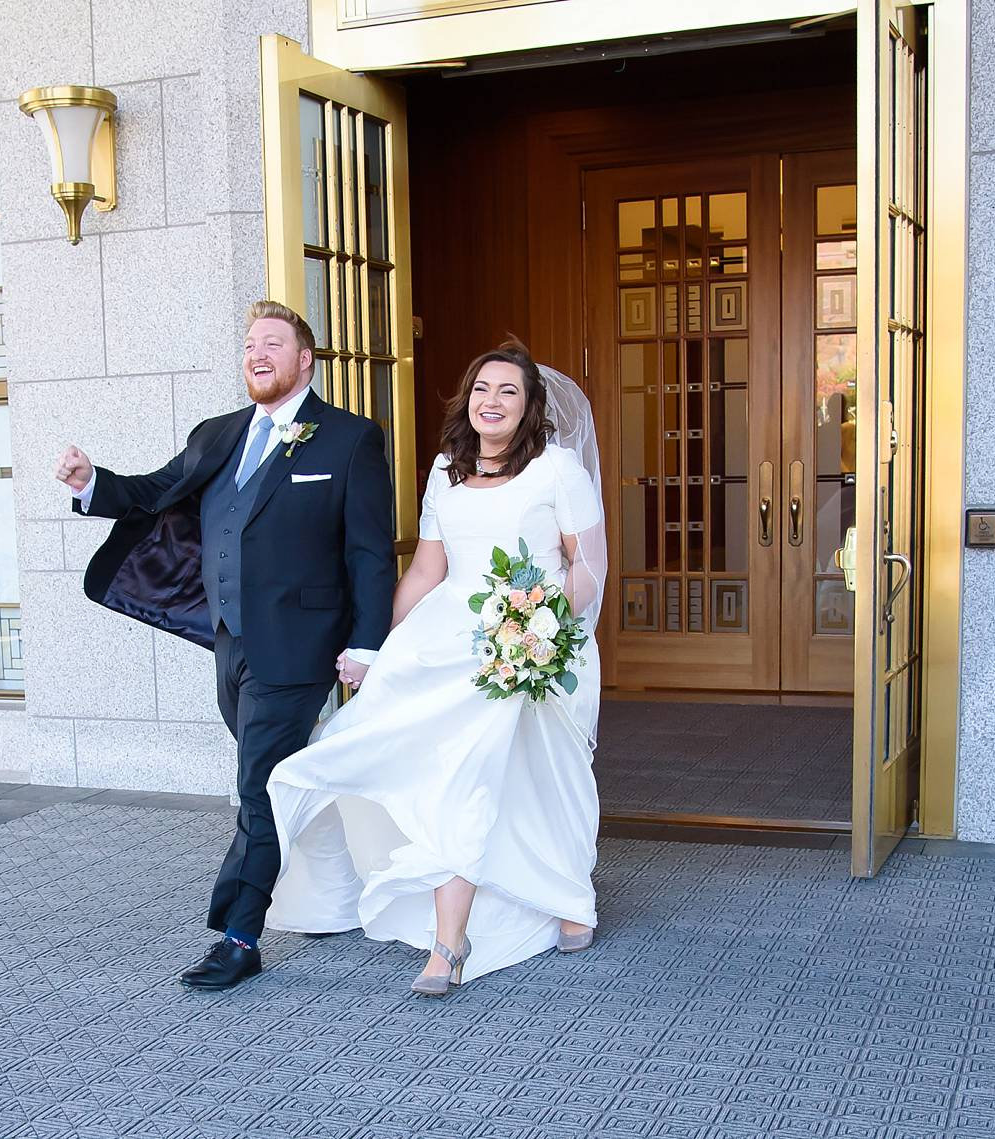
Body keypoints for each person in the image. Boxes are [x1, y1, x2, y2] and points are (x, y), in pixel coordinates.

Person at [55, 301, 396, 991]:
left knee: (259, 789)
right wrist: (92, 483)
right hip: (230, 643)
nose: (257, 353)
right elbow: (154, 492)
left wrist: (368, 644)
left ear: (306, 359)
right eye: (248, 345)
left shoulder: (350, 439)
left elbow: (368, 552)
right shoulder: (218, 435)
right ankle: (334, 894)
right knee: (278, 779)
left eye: (273, 342)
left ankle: (240, 935)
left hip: (300, 650)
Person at [265, 338, 607, 996]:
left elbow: (585, 565)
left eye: (509, 391)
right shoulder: (447, 467)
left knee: (542, 777)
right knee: (459, 774)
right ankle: (451, 941)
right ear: (467, 400)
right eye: (483, 388)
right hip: (446, 638)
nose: (493, 401)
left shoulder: (558, 470)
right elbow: (427, 568)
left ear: (531, 404)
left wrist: (543, 630)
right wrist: (376, 646)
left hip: (529, 641)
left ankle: (564, 894)